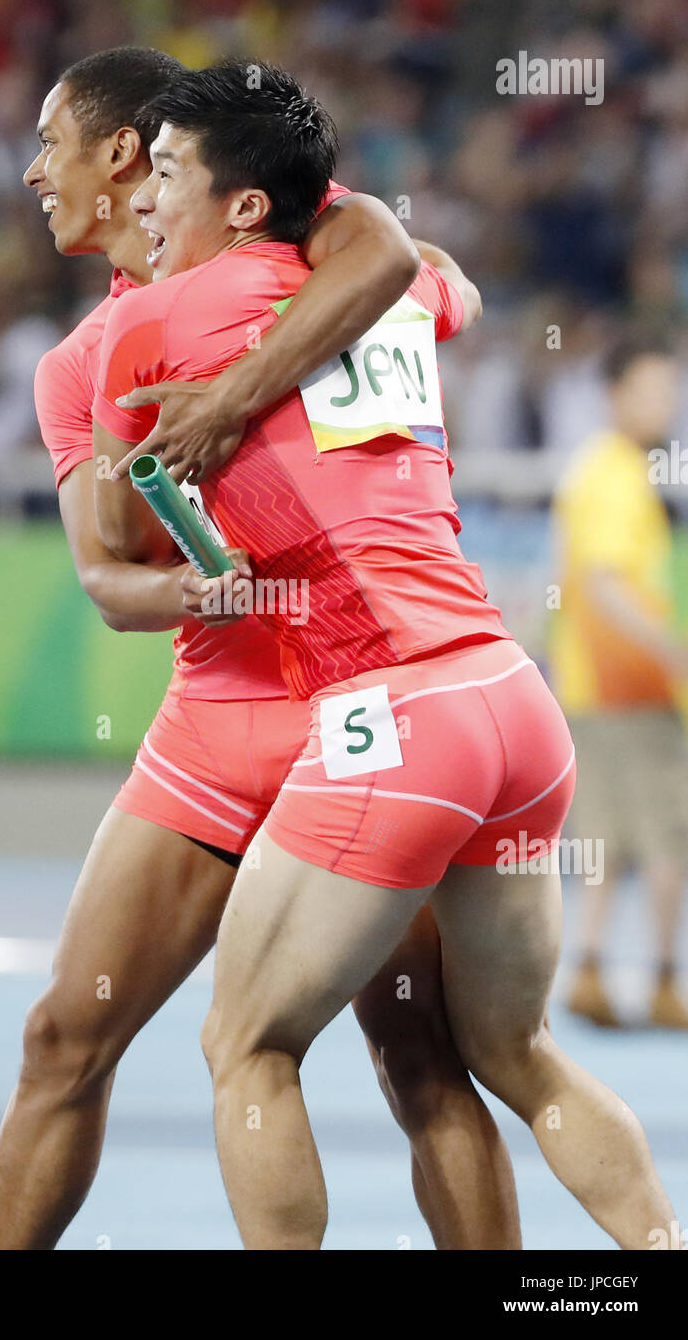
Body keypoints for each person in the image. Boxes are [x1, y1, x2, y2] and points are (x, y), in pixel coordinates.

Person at [92, 60, 677, 1251]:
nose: (144, 203)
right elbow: (438, 275)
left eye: (164, 174)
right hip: (507, 701)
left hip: (389, 713)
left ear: (241, 201)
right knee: (515, 1049)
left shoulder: (146, 322)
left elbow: (110, 538)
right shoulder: (385, 289)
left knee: (245, 1042)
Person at [0, 48, 521, 1250]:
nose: (29, 172)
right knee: (64, 1037)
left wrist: (224, 402)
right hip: (220, 725)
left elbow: (408, 259)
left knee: (418, 1055)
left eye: (48, 142)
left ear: (124, 156)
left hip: (364, 697)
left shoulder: (314, 238)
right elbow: (107, 574)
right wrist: (192, 593)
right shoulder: (78, 365)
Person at [551, 335, 688, 1029]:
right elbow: (604, 585)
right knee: (669, 837)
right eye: (652, 389)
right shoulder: (615, 476)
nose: (665, 403)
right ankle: (664, 979)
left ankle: (593, 970)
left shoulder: (614, 470)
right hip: (631, 688)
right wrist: (672, 651)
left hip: (598, 688)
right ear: (613, 394)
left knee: (606, 838)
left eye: (670, 389)